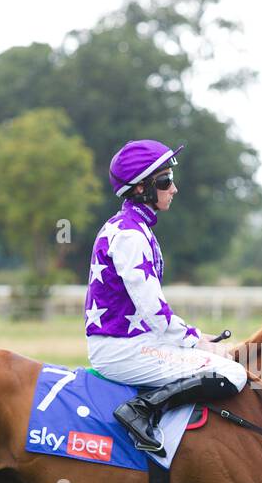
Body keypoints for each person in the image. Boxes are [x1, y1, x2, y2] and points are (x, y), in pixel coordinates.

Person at [85, 140, 246, 453]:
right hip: (122, 350)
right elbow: (153, 309)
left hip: (136, 342)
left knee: (239, 358)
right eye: (165, 181)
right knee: (233, 372)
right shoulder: (131, 234)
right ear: (141, 189)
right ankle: (141, 411)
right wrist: (194, 340)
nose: (174, 188)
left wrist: (195, 337)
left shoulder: (135, 226)